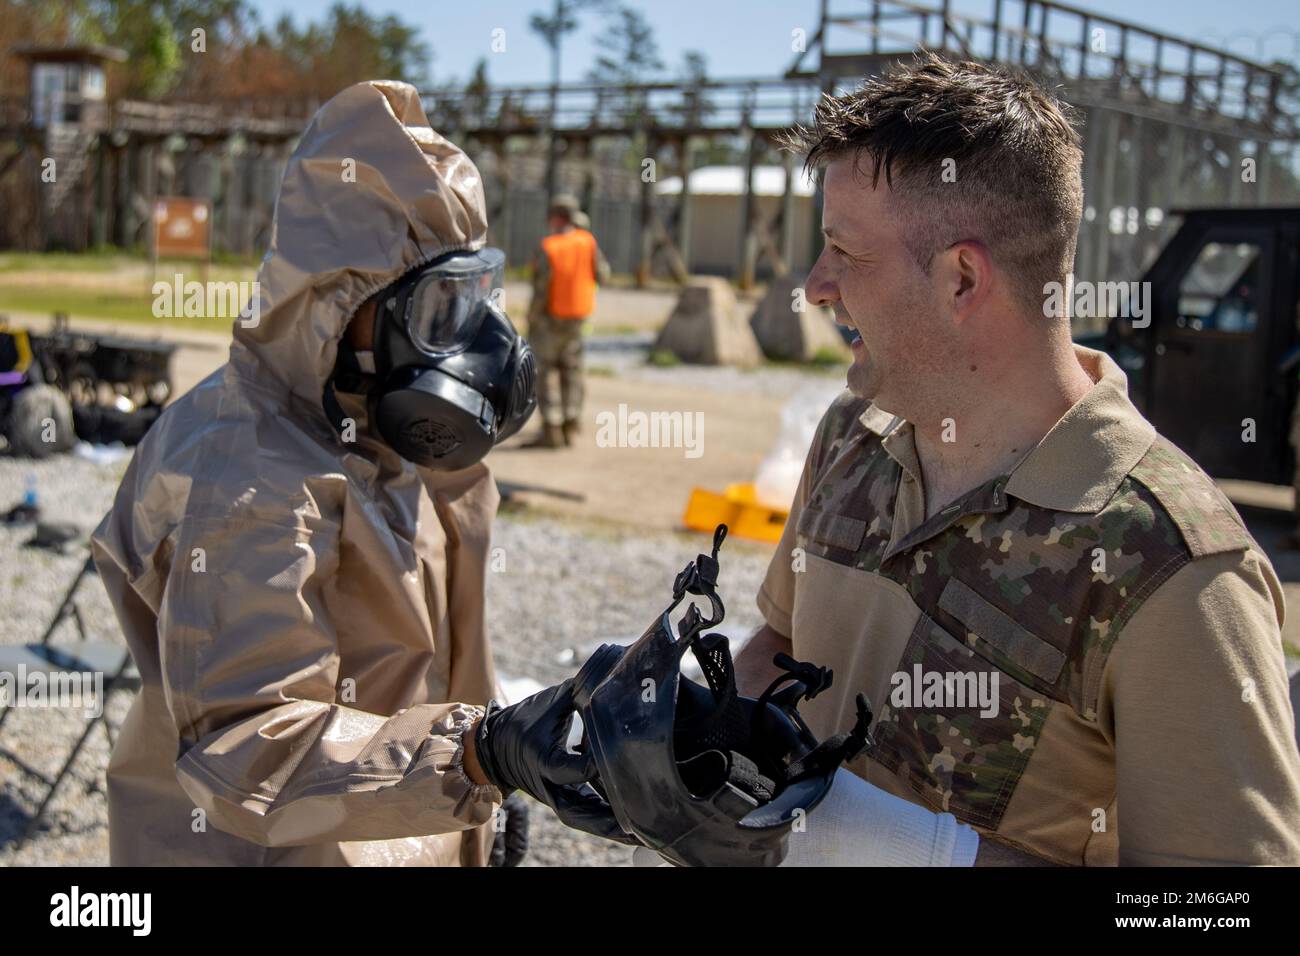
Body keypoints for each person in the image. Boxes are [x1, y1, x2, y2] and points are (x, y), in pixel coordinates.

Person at [735, 54, 1300, 866]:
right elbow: (783, 642)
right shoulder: (854, 435)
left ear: (963, 278)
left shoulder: (1176, 569)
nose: (817, 286)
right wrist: (683, 737)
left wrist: (924, 853)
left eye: (843, 252)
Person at [90, 81, 625, 866]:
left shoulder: (374, 423)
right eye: (439, 307)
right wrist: (480, 758)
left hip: (398, 824)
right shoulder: (247, 476)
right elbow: (250, 745)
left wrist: (476, 797)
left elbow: (418, 668)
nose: (469, 341)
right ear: (343, 302)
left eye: (477, 296)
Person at [525, 194, 610, 448]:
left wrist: (532, 317)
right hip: (577, 318)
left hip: (550, 320)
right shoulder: (588, 242)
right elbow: (603, 275)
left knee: (545, 371)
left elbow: (541, 288)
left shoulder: (549, 246)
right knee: (571, 371)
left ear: (556, 217)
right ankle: (571, 422)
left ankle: (551, 428)